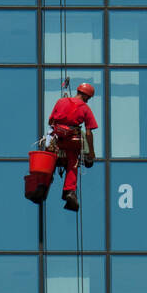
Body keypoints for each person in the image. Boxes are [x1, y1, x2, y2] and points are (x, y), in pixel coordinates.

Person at [47, 83, 98, 212]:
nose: (88, 100)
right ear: (86, 95)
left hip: (57, 138)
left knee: (49, 158)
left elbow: (51, 122)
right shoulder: (85, 108)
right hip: (72, 140)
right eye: (89, 97)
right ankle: (69, 191)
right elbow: (88, 132)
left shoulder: (61, 101)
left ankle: (42, 184)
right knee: (73, 162)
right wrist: (91, 153)